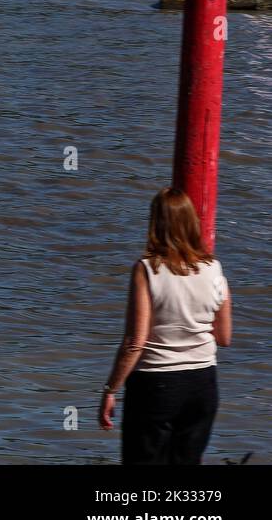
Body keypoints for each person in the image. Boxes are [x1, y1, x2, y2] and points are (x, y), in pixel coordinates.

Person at [99, 188, 232, 465]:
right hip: (203, 384)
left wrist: (111, 389)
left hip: (156, 385)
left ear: (156, 223)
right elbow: (224, 336)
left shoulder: (147, 269)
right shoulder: (214, 269)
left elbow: (135, 341)